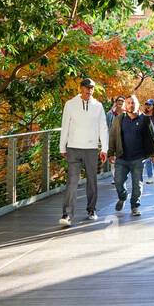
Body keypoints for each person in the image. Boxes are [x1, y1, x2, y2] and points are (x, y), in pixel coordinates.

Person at [58, 77, 108, 225]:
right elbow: (65, 126)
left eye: (91, 87)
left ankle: (91, 209)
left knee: (92, 181)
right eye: (86, 87)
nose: (89, 90)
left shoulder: (98, 106)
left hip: (91, 148)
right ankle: (66, 215)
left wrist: (104, 148)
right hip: (73, 148)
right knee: (72, 182)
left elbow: (103, 127)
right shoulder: (70, 104)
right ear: (80, 88)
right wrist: (62, 146)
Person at [110, 94, 154, 216]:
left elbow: (153, 137)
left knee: (137, 184)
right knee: (118, 181)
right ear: (126, 105)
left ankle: (135, 206)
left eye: (133, 103)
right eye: (129, 103)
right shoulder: (119, 119)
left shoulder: (145, 119)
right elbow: (113, 137)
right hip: (122, 157)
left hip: (138, 158)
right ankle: (123, 196)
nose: (131, 105)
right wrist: (111, 153)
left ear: (137, 105)